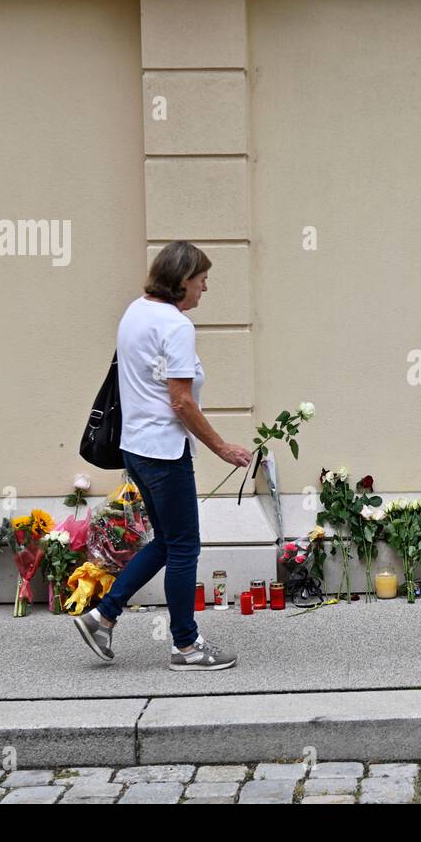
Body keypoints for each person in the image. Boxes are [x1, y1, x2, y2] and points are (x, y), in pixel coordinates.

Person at [73, 241, 252, 670]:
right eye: (202, 280)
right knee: (185, 546)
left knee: (168, 543)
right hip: (165, 454)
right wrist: (222, 447)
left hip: (136, 448)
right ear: (181, 280)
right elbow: (181, 402)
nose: (205, 289)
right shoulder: (175, 326)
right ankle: (186, 647)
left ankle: (103, 615)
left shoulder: (135, 311)